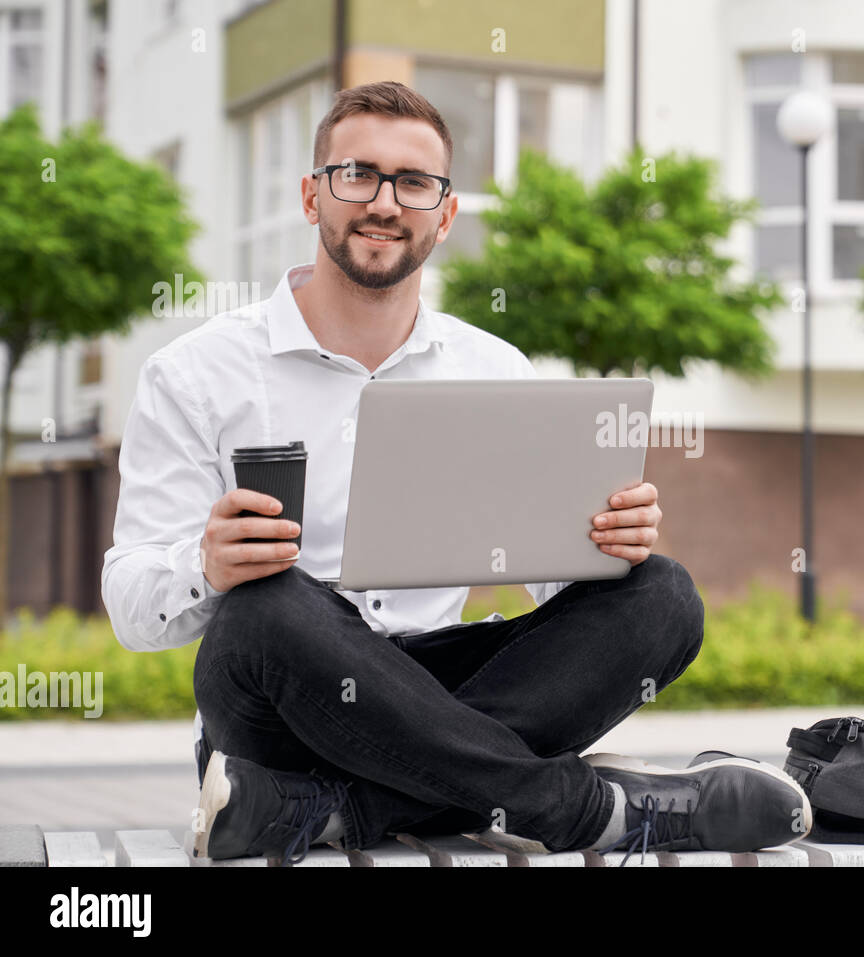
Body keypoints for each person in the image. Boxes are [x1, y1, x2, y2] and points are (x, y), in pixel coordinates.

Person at [101, 80, 810, 866]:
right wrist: (204, 565)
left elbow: (556, 593)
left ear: (445, 213)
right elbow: (130, 603)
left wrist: (605, 544)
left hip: (439, 693)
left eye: (414, 183)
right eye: (356, 174)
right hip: (280, 710)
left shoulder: (492, 369)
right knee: (265, 606)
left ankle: (325, 812)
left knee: (663, 596)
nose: (383, 202)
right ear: (311, 196)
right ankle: (582, 808)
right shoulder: (194, 373)